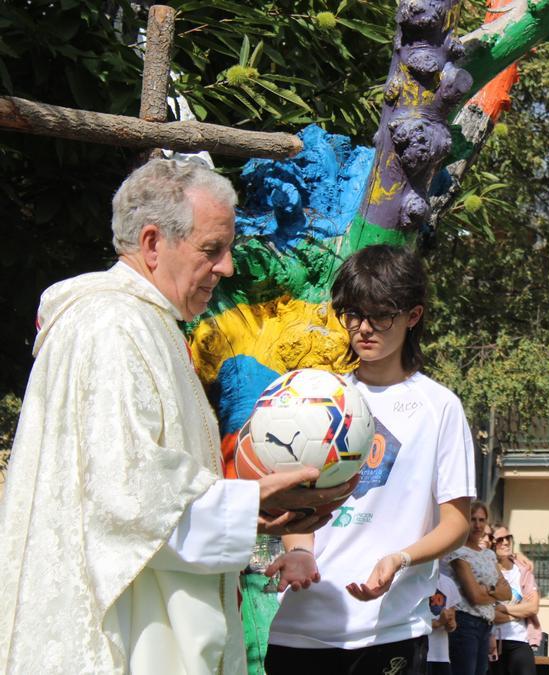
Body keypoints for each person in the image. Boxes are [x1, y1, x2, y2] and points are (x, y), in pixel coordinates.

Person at [0, 158, 353, 673]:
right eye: (212, 250)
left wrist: (249, 512)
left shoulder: (145, 323)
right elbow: (125, 498)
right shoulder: (110, 328)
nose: (228, 267)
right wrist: (246, 507)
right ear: (151, 244)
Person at [264, 244, 476, 674]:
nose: (363, 328)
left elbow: (456, 524)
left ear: (413, 316)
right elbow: (298, 501)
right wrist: (301, 551)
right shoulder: (315, 395)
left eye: (380, 315)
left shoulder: (440, 406)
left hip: (391, 631)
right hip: (298, 631)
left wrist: (400, 558)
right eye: (353, 315)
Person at [449, 500, 513, 675]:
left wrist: (487, 590)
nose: (477, 524)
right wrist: (494, 591)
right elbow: (474, 596)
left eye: (481, 520)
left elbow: (507, 593)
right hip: (465, 622)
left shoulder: (489, 555)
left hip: (486, 624)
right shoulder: (458, 552)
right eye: (472, 519)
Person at [490, 524, 542, 675]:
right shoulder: (486, 571)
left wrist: (501, 609)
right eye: (500, 539)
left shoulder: (523, 571)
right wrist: (519, 611)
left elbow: (532, 608)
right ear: (491, 543)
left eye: (508, 538)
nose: (506, 542)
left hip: (520, 640)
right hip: (492, 642)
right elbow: (490, 614)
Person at [430, 562, 462, 675]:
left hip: (441, 655)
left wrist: (450, 623)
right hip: (421, 653)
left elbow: (452, 625)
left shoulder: (448, 582)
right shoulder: (414, 582)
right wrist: (438, 623)